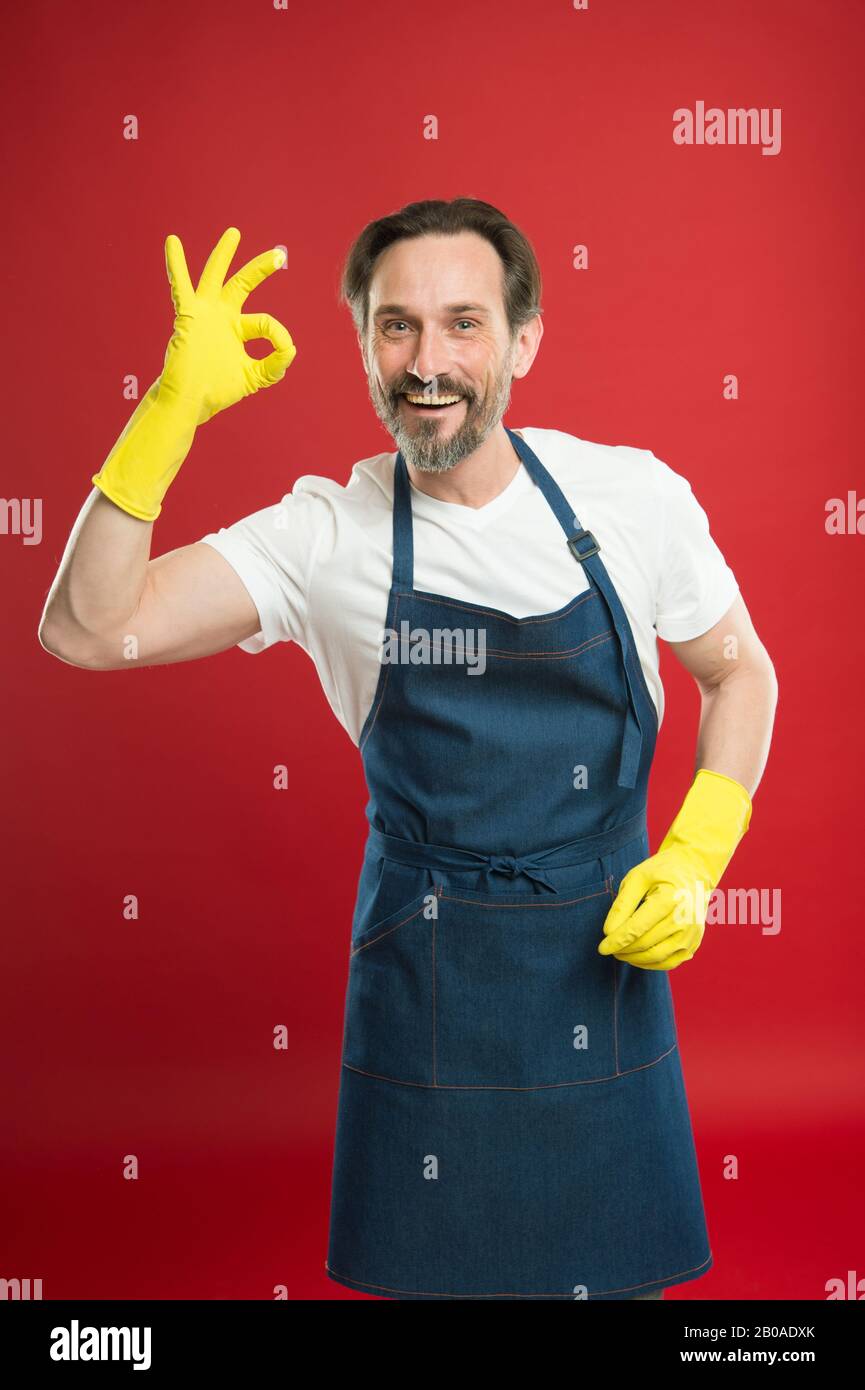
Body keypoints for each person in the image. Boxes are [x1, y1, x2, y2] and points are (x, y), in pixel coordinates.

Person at [38, 199, 778, 1301]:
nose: (429, 364)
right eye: (396, 327)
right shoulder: (324, 535)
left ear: (524, 341)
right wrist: (167, 415)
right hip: (425, 994)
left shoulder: (633, 499)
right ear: (362, 344)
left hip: (606, 977)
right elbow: (87, 628)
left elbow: (740, 671)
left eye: (463, 324)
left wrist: (698, 852)